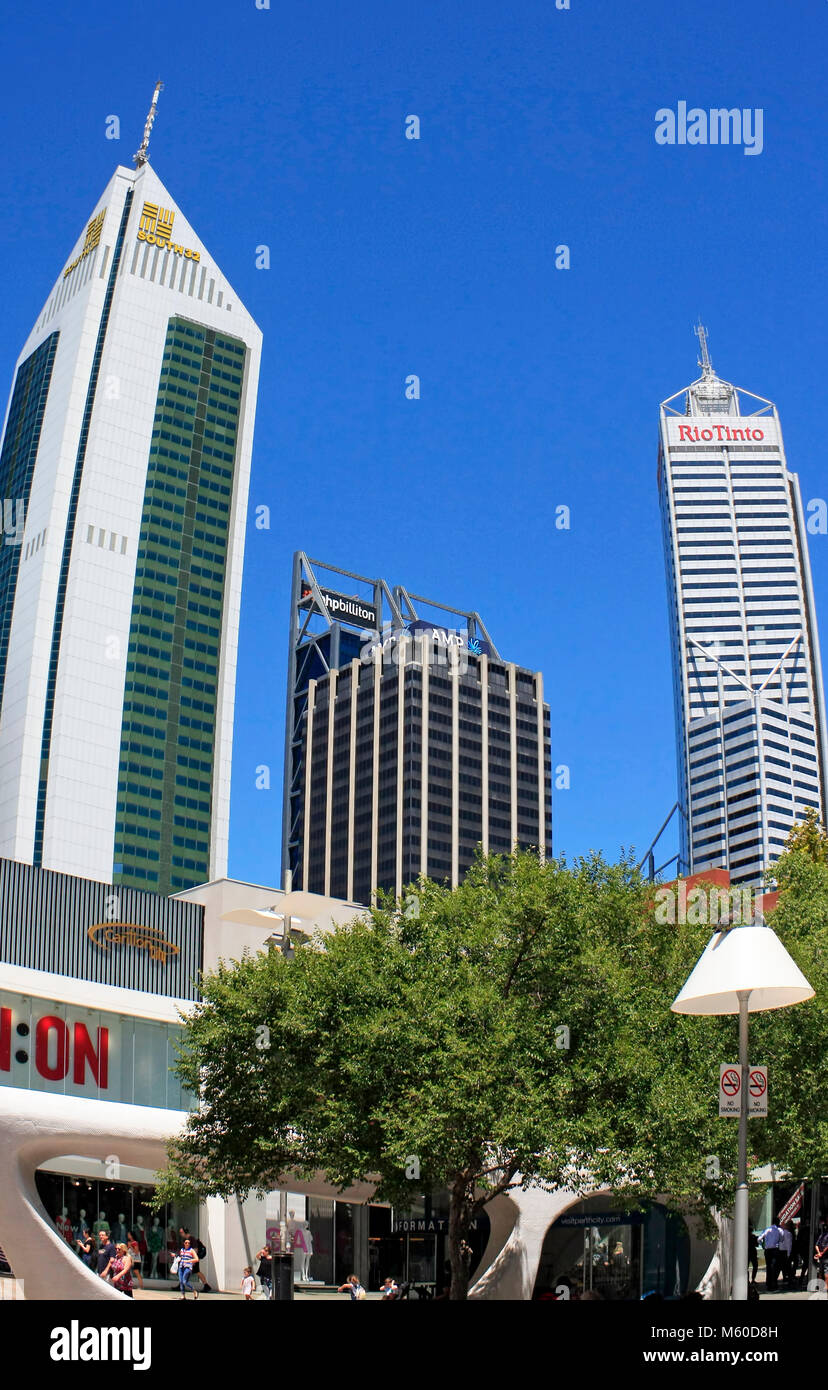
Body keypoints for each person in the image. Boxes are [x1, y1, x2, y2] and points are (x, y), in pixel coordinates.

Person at [179, 1227, 211, 1292]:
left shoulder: (191, 1239)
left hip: (193, 1260)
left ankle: (206, 1286)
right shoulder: (186, 1239)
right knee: (190, 1271)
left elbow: (195, 1250)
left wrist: (193, 1261)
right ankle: (181, 1285)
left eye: (181, 1232)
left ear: (185, 1232)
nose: (180, 1234)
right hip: (189, 1259)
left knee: (196, 1271)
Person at [759, 1220, 784, 1292]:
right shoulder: (779, 1230)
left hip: (767, 1250)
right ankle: (774, 1285)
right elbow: (782, 1239)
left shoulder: (767, 1230)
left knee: (769, 1266)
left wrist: (763, 1245)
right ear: (778, 1223)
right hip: (775, 1250)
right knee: (775, 1267)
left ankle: (768, 1284)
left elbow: (759, 1239)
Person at [814, 1222, 828, 1292]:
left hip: (821, 1256)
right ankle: (826, 1287)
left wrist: (819, 1253)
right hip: (826, 1256)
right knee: (826, 1271)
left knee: (820, 1271)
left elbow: (816, 1245)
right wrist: (821, 1253)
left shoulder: (821, 1235)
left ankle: (820, 1286)